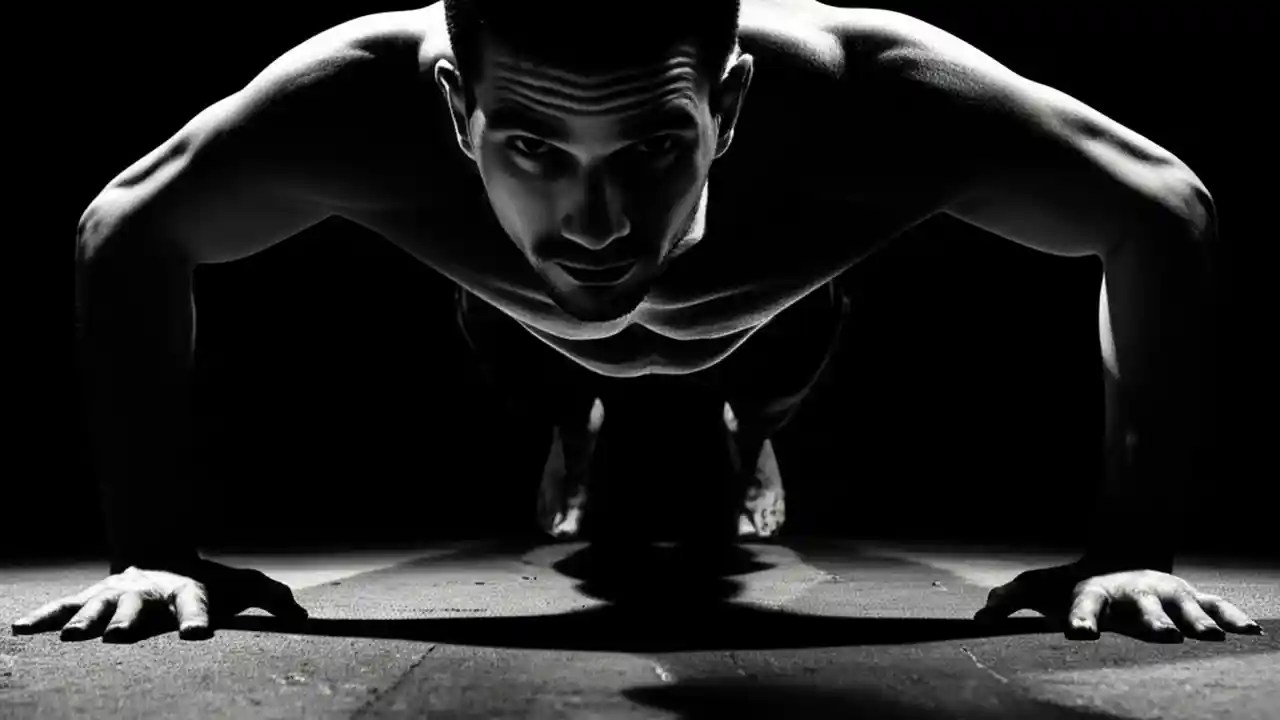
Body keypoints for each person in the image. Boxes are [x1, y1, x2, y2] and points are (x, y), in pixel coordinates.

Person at [17, 0, 1259, 643]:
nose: (597, 216)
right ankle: (579, 424)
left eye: (655, 144)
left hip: (765, 319)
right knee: (545, 350)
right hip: (517, 332)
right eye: (531, 145)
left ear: (729, 101)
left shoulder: (880, 97)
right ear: (456, 108)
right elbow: (122, 226)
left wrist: (1129, 546)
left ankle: (744, 426)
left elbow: (1162, 208)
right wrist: (153, 550)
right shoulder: (354, 104)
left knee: (762, 346)